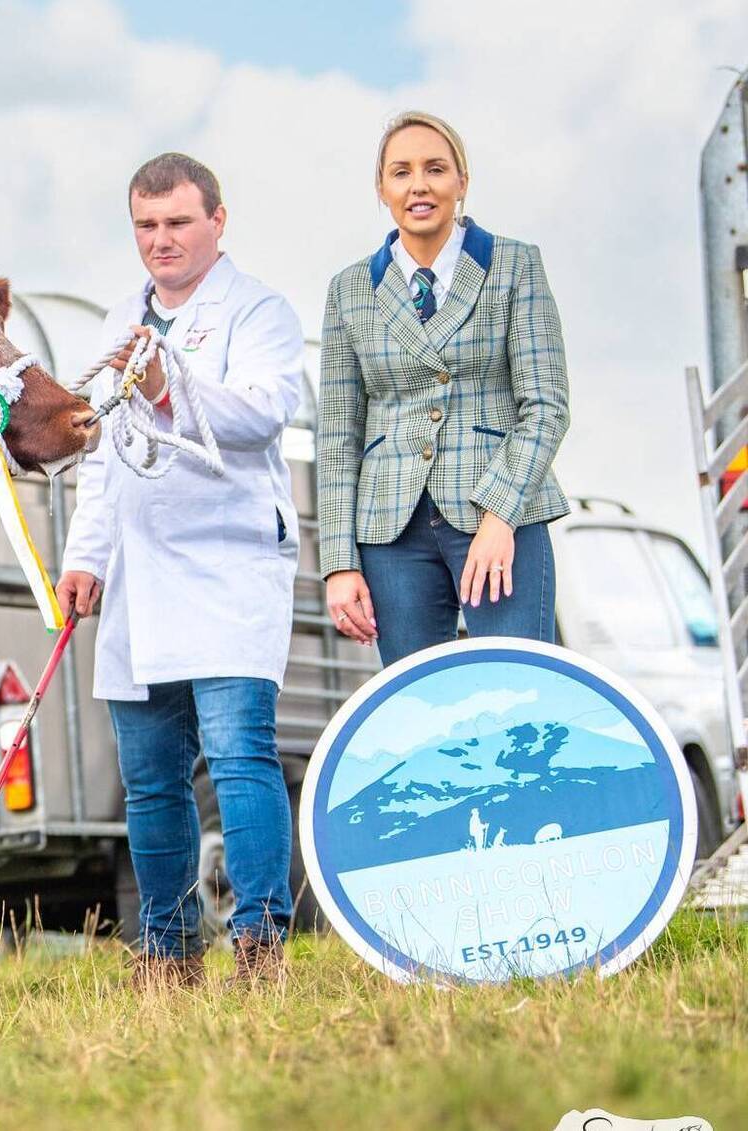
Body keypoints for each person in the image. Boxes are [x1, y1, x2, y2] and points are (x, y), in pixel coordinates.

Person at [58, 153, 309, 987]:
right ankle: (166, 949)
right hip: (137, 576)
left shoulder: (259, 312)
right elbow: (102, 454)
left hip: (229, 565)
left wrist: (172, 381)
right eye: (145, 225)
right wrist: (85, 555)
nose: (160, 241)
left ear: (217, 220)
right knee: (149, 779)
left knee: (240, 757)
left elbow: (264, 411)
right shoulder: (113, 324)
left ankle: (261, 940)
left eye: (176, 222)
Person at [317, 111, 570, 666]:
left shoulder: (513, 266)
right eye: (401, 172)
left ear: (462, 180)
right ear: (382, 189)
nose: (419, 185)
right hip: (391, 530)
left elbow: (545, 405)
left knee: (518, 695)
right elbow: (336, 436)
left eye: (435, 169)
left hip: (499, 514)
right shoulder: (350, 290)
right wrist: (339, 562)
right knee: (417, 712)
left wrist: (500, 516)